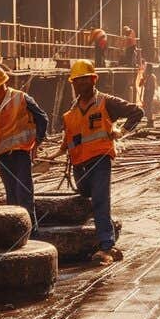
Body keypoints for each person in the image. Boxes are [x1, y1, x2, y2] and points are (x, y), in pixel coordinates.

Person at [62, 59, 143, 264]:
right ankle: (102, 235)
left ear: (93, 80)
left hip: (100, 158)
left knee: (100, 200)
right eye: (76, 82)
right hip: (79, 162)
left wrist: (121, 132)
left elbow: (136, 112)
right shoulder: (72, 110)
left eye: (84, 81)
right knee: (85, 194)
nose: (80, 85)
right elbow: (72, 134)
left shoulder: (106, 102)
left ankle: (106, 246)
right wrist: (60, 150)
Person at [0, 63, 47, 225]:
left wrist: (36, 143)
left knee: (23, 192)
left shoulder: (21, 97)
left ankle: (32, 230)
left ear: (5, 82)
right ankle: (15, 229)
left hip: (21, 151)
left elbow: (42, 118)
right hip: (2, 154)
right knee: (11, 193)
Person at [139, 63, 158, 129]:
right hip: (147, 94)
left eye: (146, 68)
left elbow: (149, 88)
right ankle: (149, 121)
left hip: (149, 94)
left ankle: (150, 122)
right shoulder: (147, 76)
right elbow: (140, 85)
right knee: (147, 108)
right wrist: (143, 79)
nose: (145, 69)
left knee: (149, 108)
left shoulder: (152, 77)